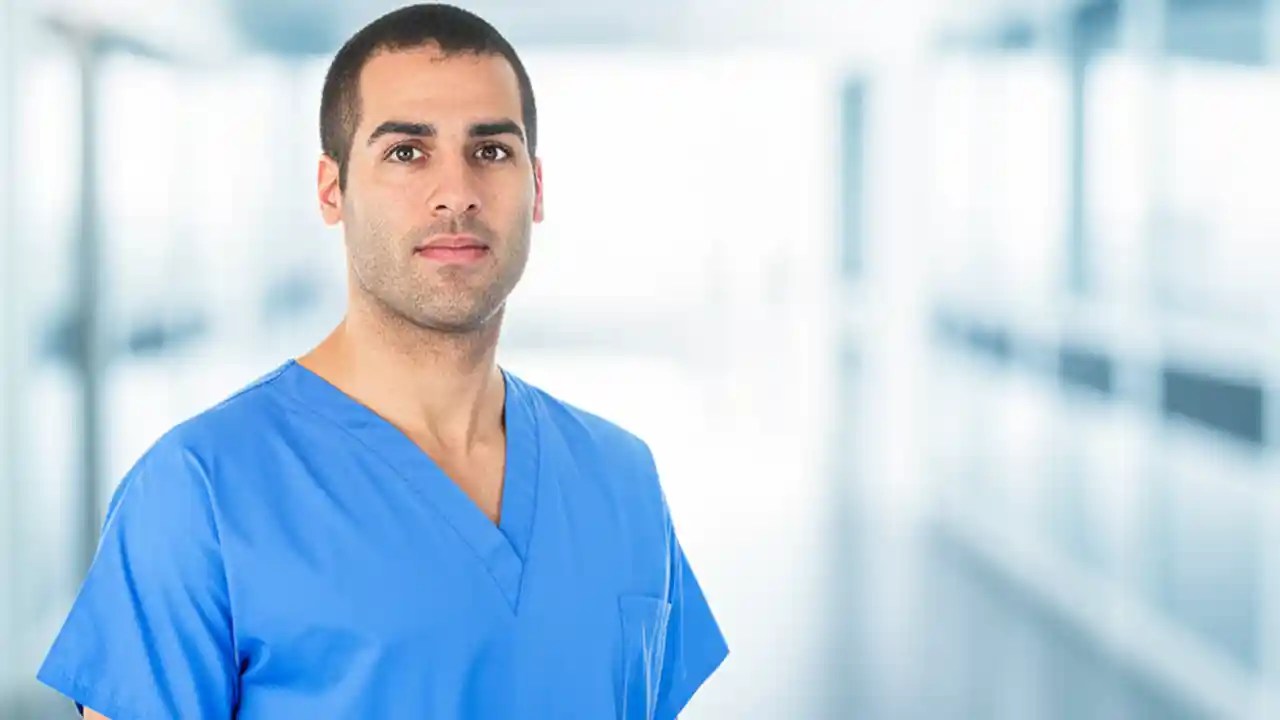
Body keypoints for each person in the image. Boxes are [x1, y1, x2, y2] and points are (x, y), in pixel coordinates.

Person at [35, 4, 728, 718]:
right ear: (331, 189)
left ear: (538, 188)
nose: (456, 193)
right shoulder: (198, 492)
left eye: (492, 151)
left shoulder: (621, 479)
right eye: (406, 152)